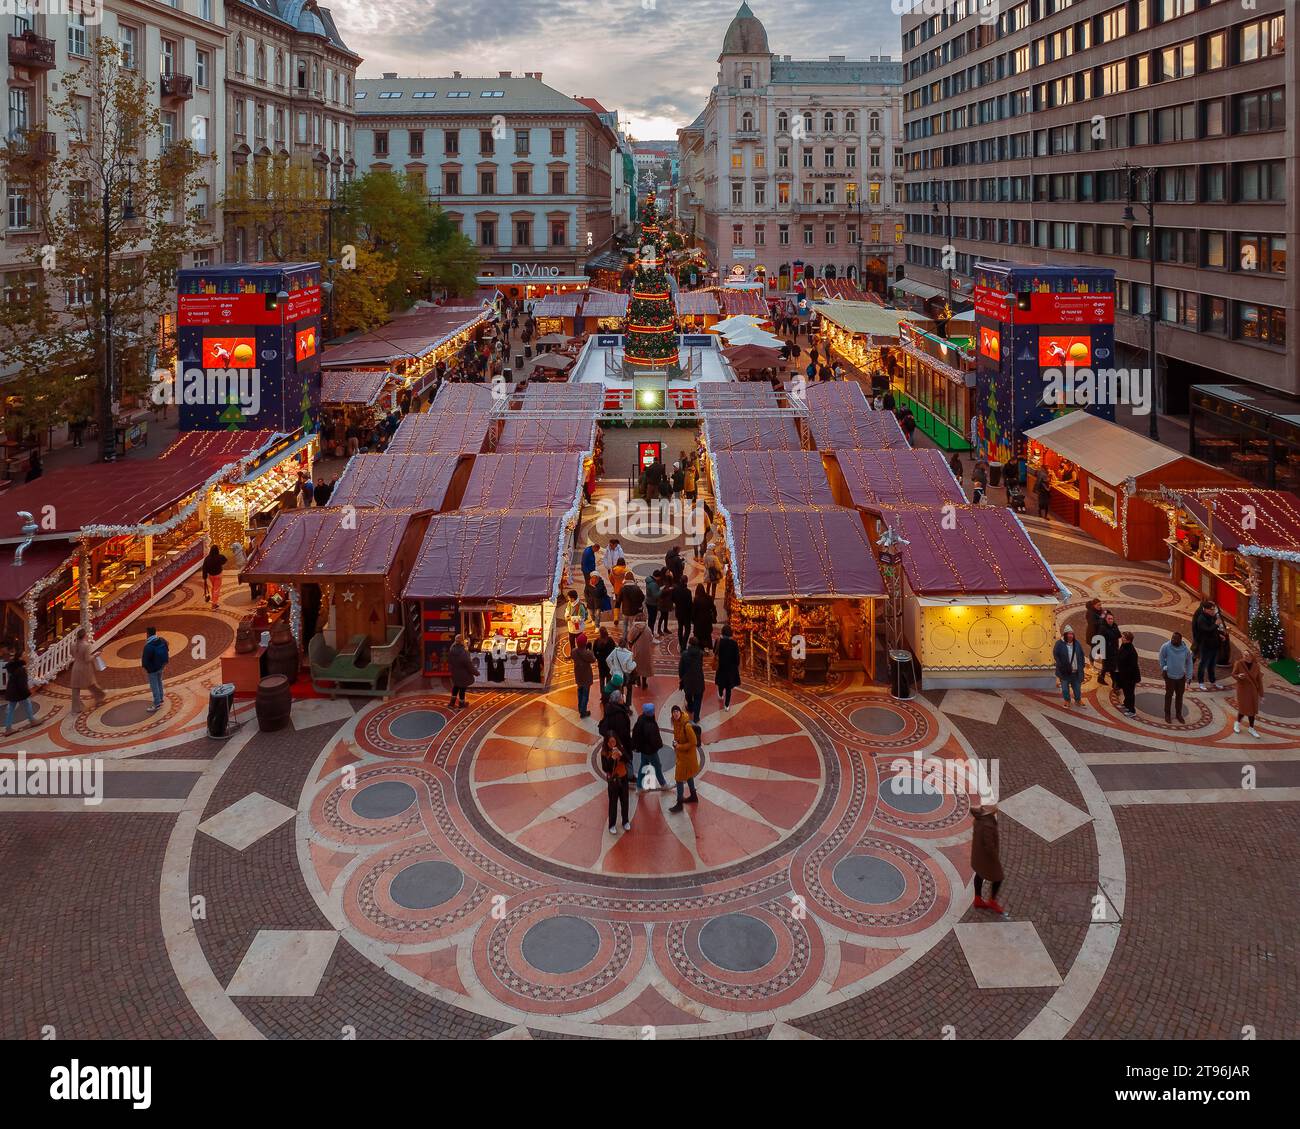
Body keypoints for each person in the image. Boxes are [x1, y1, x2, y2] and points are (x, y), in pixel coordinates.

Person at [970, 804, 1006, 915]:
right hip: (987, 858)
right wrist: (995, 858)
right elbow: (989, 846)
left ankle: (978, 899)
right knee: (998, 877)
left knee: (979, 874)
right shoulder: (988, 825)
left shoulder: (979, 819)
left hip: (978, 855)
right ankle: (992, 901)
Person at [667, 704, 700, 813]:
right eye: (673, 712)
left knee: (679, 779)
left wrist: (679, 746)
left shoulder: (687, 726)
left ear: (680, 712)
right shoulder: (677, 723)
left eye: (677, 711)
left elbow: (694, 742)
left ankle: (679, 803)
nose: (675, 713)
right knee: (689, 775)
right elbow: (678, 737)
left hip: (687, 757)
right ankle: (693, 796)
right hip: (683, 756)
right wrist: (676, 744)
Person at [600, 730, 632, 835]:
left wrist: (621, 755)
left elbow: (628, 759)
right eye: (610, 742)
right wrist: (612, 759)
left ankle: (625, 821)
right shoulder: (604, 753)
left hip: (623, 778)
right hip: (613, 781)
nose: (612, 744)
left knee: (625, 801)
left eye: (613, 742)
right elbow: (606, 768)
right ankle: (612, 824)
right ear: (606, 742)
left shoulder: (620, 747)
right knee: (613, 803)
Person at [1158, 630, 1193, 724]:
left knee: (1179, 696)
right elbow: (1161, 657)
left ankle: (1178, 714)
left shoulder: (1185, 650)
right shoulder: (1166, 647)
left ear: (1180, 640)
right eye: (1172, 637)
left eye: (1175, 639)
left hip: (1181, 677)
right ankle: (1167, 714)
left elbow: (1189, 663)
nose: (1172, 639)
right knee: (1168, 695)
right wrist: (1164, 667)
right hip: (1169, 677)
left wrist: (1189, 677)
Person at [70, 628, 107, 716]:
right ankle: (100, 696)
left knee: (75, 688)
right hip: (85, 668)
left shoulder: (72, 645)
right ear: (84, 636)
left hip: (75, 667)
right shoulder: (86, 646)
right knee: (91, 683)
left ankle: (76, 707)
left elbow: (72, 655)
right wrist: (95, 655)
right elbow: (87, 659)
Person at [1192, 600, 1227, 690]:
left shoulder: (1212, 617)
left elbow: (1213, 630)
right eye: (1211, 609)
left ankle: (1213, 681)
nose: (1213, 611)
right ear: (1206, 609)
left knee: (1212, 664)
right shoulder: (1201, 619)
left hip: (1214, 644)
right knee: (1203, 664)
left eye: (1213, 609)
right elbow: (1206, 631)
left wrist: (1220, 635)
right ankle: (1201, 682)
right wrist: (1216, 625)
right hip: (1205, 645)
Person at [632, 703, 668, 791]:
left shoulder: (641, 719)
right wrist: (659, 745)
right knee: (657, 766)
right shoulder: (650, 725)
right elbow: (654, 740)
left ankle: (639, 786)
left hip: (644, 750)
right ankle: (663, 784)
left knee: (643, 765)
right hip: (650, 751)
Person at [1231, 648, 1264, 738]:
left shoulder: (1256, 666)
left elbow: (1259, 681)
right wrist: (1238, 676)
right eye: (1243, 654)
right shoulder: (1239, 663)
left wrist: (1261, 694)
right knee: (1243, 708)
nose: (1244, 656)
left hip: (1253, 690)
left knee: (1252, 710)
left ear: (1251, 656)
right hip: (1242, 689)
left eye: (1246, 655)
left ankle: (1251, 728)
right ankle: (1237, 723)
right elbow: (1233, 674)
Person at [3, 646, 37, 734]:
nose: (26, 655)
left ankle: (8, 728)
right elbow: (21, 683)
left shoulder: (14, 667)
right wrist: (28, 692)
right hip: (18, 692)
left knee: (12, 708)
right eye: (24, 654)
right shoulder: (20, 669)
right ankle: (32, 721)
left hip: (12, 692)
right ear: (20, 657)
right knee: (27, 704)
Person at [1053, 625, 1086, 707]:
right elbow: (1056, 655)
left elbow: (1081, 655)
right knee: (1065, 688)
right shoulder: (1059, 644)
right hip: (1065, 671)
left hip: (1076, 671)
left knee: (1077, 688)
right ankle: (1067, 700)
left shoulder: (1077, 643)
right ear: (1065, 634)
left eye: (1072, 634)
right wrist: (1061, 666)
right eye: (1069, 634)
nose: (1070, 635)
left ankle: (1078, 699)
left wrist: (1081, 666)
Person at [141, 626, 170, 714]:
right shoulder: (162, 640)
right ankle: (161, 699)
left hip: (152, 669)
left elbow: (145, 661)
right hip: (161, 665)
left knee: (154, 686)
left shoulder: (148, 646)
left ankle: (157, 704)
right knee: (159, 682)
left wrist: (147, 668)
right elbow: (167, 648)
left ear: (148, 634)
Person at [679, 636, 705, 723]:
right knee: (698, 698)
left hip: (688, 680)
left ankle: (690, 708)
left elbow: (681, 668)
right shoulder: (701, 654)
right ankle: (696, 717)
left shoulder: (684, 654)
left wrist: (681, 677)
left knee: (688, 695)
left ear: (689, 644)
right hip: (698, 679)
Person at [714, 625, 741, 710]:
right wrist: (736, 665)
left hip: (721, 667)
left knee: (721, 683)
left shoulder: (718, 641)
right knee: (729, 687)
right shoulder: (734, 643)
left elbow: (715, 652)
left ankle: (720, 694)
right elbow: (737, 657)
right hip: (731, 669)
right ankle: (727, 705)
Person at [607, 636, 637, 711]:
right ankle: (627, 706)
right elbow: (630, 667)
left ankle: (620, 707)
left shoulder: (615, 651)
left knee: (619, 691)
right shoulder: (629, 654)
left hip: (617, 675)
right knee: (629, 689)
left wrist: (613, 669)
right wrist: (634, 663)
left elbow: (608, 660)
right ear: (626, 644)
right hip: (626, 676)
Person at [1114, 631, 1141, 717]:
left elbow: (1132, 666)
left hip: (1130, 677)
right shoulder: (1124, 645)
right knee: (1126, 692)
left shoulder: (1131, 651)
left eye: (1123, 638)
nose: (1122, 638)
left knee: (1130, 693)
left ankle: (1131, 710)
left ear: (1128, 640)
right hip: (1124, 675)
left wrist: (1124, 674)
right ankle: (1126, 705)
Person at [447, 635, 476, 709]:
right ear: (462, 642)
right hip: (463, 673)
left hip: (455, 673)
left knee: (456, 686)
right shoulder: (464, 652)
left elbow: (449, 662)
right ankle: (461, 703)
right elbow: (468, 664)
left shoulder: (451, 650)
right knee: (462, 688)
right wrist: (475, 672)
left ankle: (451, 703)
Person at [572, 632, 596, 719]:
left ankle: (580, 708)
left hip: (578, 675)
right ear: (585, 643)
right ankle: (583, 711)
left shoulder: (574, 651)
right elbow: (593, 659)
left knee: (580, 692)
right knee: (585, 694)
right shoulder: (588, 653)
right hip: (586, 676)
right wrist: (590, 649)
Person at [628, 617, 654, 692]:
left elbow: (630, 639)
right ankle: (644, 683)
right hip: (645, 651)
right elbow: (651, 639)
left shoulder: (633, 628)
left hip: (636, 650)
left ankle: (638, 682)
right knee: (644, 667)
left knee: (637, 665)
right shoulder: (647, 628)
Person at [1097, 611, 1121, 687]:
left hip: (1114, 649)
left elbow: (1118, 635)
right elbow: (1099, 640)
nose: (1111, 620)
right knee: (1110, 667)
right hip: (1106, 651)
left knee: (1109, 666)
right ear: (1106, 619)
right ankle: (1115, 683)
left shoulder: (1115, 626)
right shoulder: (1103, 628)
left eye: (1112, 619)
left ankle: (1101, 678)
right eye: (1109, 619)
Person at [617, 572, 644, 639]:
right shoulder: (636, 588)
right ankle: (631, 638)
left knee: (625, 625)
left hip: (625, 611)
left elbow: (618, 600)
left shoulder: (622, 588)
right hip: (634, 611)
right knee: (632, 625)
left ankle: (624, 638)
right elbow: (642, 597)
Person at [691, 583, 716, 652]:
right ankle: (707, 647)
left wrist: (692, 619)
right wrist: (714, 617)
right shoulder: (709, 598)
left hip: (698, 621)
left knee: (699, 635)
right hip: (707, 620)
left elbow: (693, 611)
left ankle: (699, 647)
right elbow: (713, 608)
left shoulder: (696, 600)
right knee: (707, 634)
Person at [592, 625, 616, 694]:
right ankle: (608, 694)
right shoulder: (610, 640)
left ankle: (603, 695)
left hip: (601, 664)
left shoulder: (597, 641)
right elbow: (614, 650)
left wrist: (598, 658)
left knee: (601, 680)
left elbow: (594, 651)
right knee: (609, 680)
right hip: (609, 664)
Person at [673, 576, 694, 651]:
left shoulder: (676, 590)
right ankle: (684, 644)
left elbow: (673, 599)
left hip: (678, 612)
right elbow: (690, 604)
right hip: (686, 614)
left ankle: (681, 643)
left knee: (680, 628)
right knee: (687, 629)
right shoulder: (688, 592)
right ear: (686, 582)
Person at [655, 573, 674, 637]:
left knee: (666, 616)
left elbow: (672, 584)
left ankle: (665, 628)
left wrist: (671, 577)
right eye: (667, 571)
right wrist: (669, 589)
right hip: (662, 602)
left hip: (668, 602)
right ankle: (659, 629)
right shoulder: (660, 581)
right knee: (662, 616)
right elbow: (661, 592)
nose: (668, 572)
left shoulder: (669, 579)